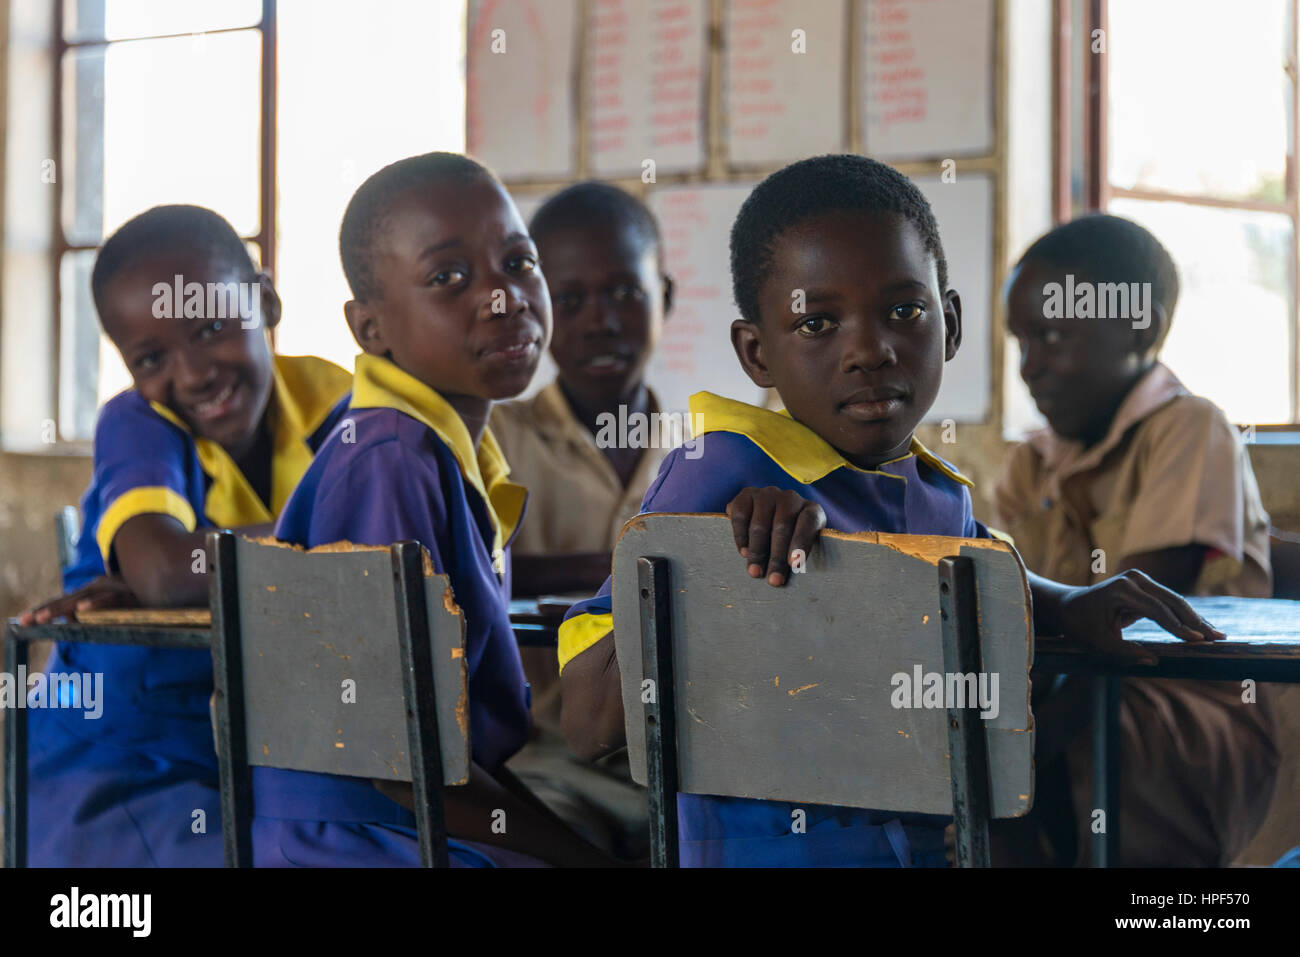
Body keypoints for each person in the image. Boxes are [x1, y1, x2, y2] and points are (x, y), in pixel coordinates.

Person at [558, 155, 1224, 867]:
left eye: (905, 312)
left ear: (953, 323)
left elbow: (961, 569)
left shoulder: (941, 493)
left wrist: (1066, 601)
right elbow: (589, 719)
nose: (870, 351)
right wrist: (716, 565)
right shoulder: (722, 469)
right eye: (817, 323)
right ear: (757, 353)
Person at [261, 152, 614, 866]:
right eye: (449, 278)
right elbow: (395, 754)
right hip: (361, 837)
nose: (504, 298)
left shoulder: (440, 449)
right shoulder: (387, 460)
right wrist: (574, 856)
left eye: (519, 262)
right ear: (370, 328)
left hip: (425, 814)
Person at [20, 205, 352, 866]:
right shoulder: (140, 423)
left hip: (267, 754)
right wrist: (351, 537)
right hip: (121, 761)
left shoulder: (336, 404)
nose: (194, 373)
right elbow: (167, 573)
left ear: (265, 301)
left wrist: (201, 560)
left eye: (209, 328)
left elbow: (426, 542)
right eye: (151, 356)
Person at [993, 213, 1279, 866]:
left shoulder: (1191, 429)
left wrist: (1017, 741)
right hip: (1064, 692)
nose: (1030, 367)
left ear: (1140, 328)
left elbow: (1130, 616)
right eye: (1020, 342)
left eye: (1053, 335)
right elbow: (1002, 604)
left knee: (1011, 739)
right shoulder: (1028, 464)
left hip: (1184, 711)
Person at [489, 182, 674, 858]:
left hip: (698, 763)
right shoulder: (496, 443)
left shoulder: (713, 448)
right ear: (537, 309)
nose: (600, 321)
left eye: (626, 292)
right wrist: (628, 577)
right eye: (570, 300)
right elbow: (467, 578)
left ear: (668, 298)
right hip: (553, 761)